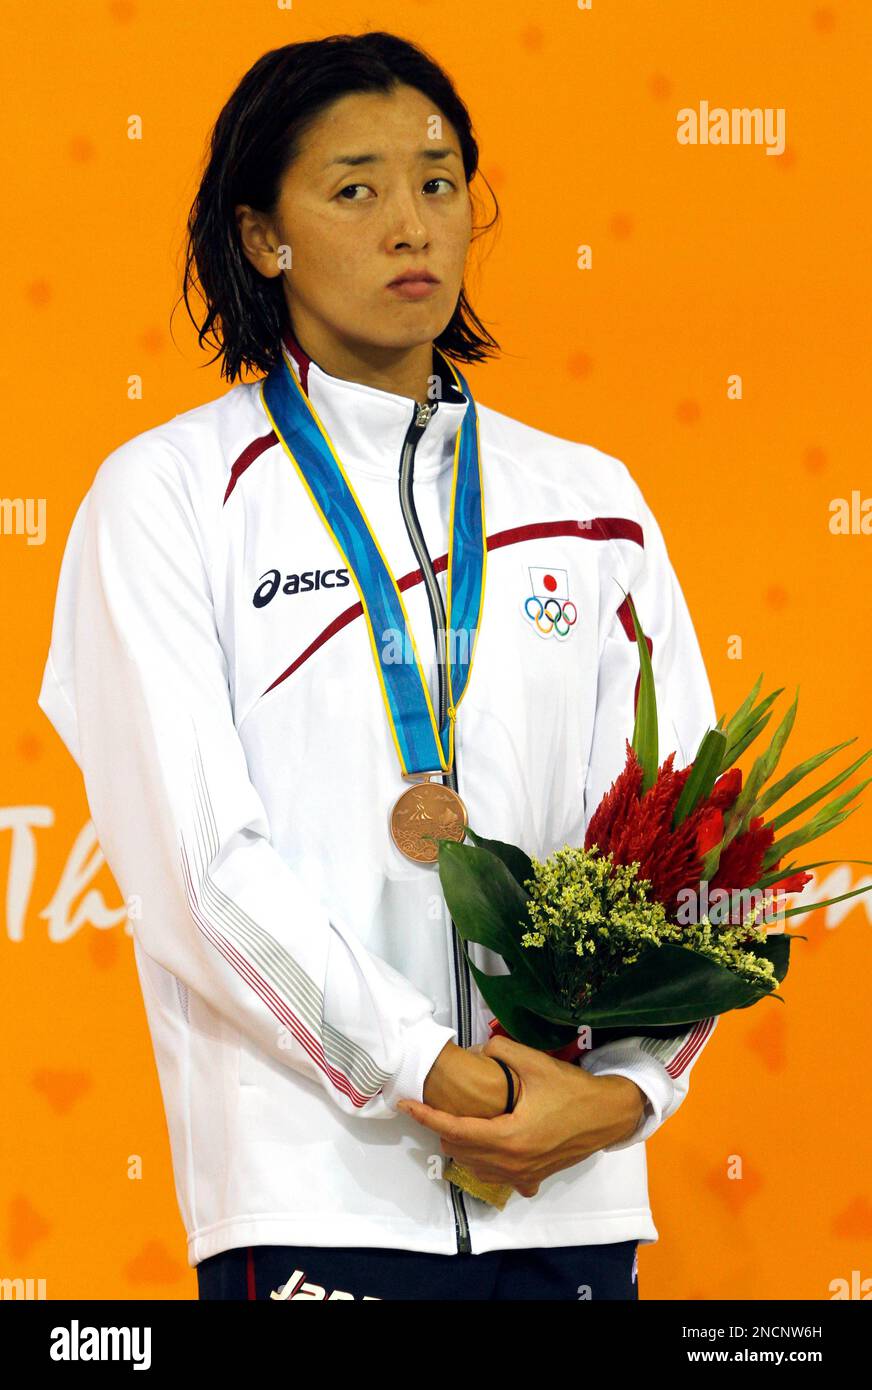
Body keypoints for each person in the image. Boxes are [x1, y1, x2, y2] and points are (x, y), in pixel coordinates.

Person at [37, 31, 718, 1302]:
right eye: (354, 187)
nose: (410, 221)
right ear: (260, 236)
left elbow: (686, 832)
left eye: (438, 179)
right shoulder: (171, 495)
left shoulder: (589, 503)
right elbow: (196, 862)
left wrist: (622, 1090)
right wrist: (415, 1061)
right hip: (317, 1191)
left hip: (568, 1191)